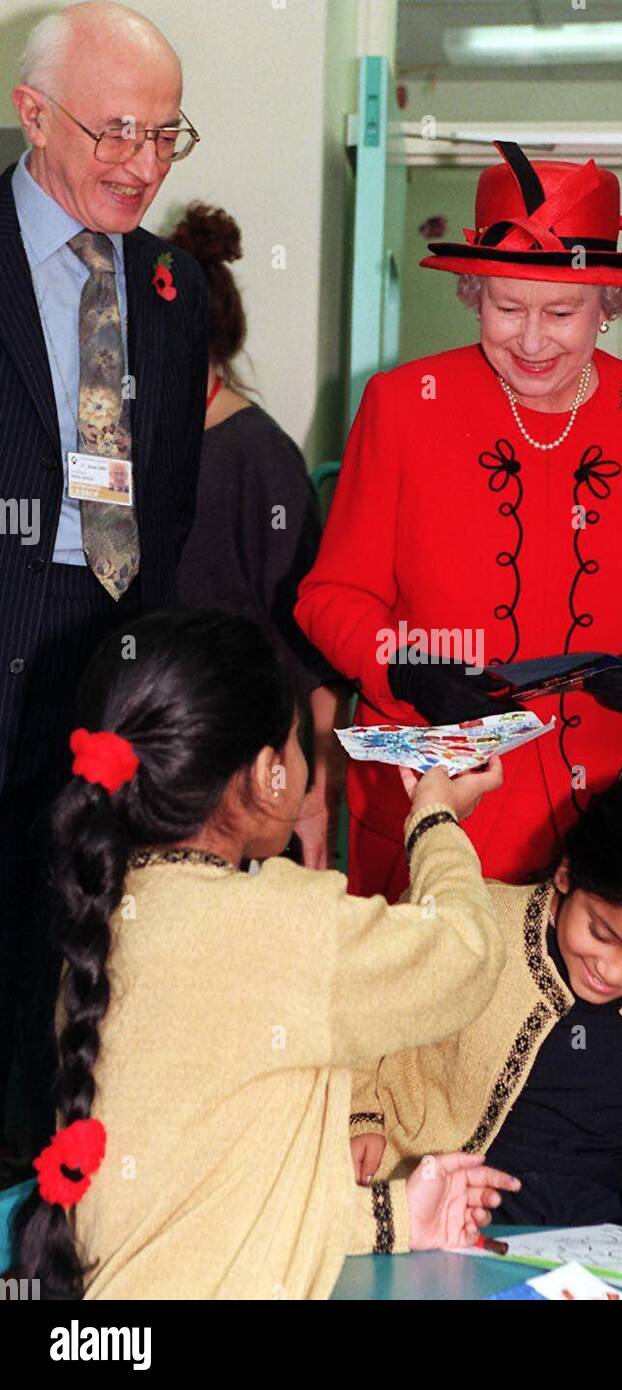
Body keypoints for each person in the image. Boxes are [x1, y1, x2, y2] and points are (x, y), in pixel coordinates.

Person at [296, 141, 622, 903]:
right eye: (507, 308)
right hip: (430, 810)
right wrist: (402, 666)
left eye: (562, 313)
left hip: (609, 838)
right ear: (473, 293)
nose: (534, 341)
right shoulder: (403, 405)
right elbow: (330, 596)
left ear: (610, 305)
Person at [14, 609, 519, 1300]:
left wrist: (399, 1214)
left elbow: (210, 1198)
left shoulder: (105, 923)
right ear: (265, 774)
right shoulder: (278, 923)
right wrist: (435, 819)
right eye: (297, 742)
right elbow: (465, 956)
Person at [0, 2, 208, 1155]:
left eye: (166, 136)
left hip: (103, 676)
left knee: (71, 994)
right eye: (114, 132)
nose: (141, 166)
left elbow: (165, 516)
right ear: (34, 115)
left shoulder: (174, 293)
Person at [350, 774, 622, 1230]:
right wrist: (364, 1115)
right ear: (566, 873)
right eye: (601, 933)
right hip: (456, 1215)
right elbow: (367, 1004)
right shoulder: (480, 923)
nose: (613, 972)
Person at [168, 202, 347, 868]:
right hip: (154, 765)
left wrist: (314, 790)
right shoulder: (123, 452)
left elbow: (314, 648)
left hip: (248, 775)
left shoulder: (259, 459)